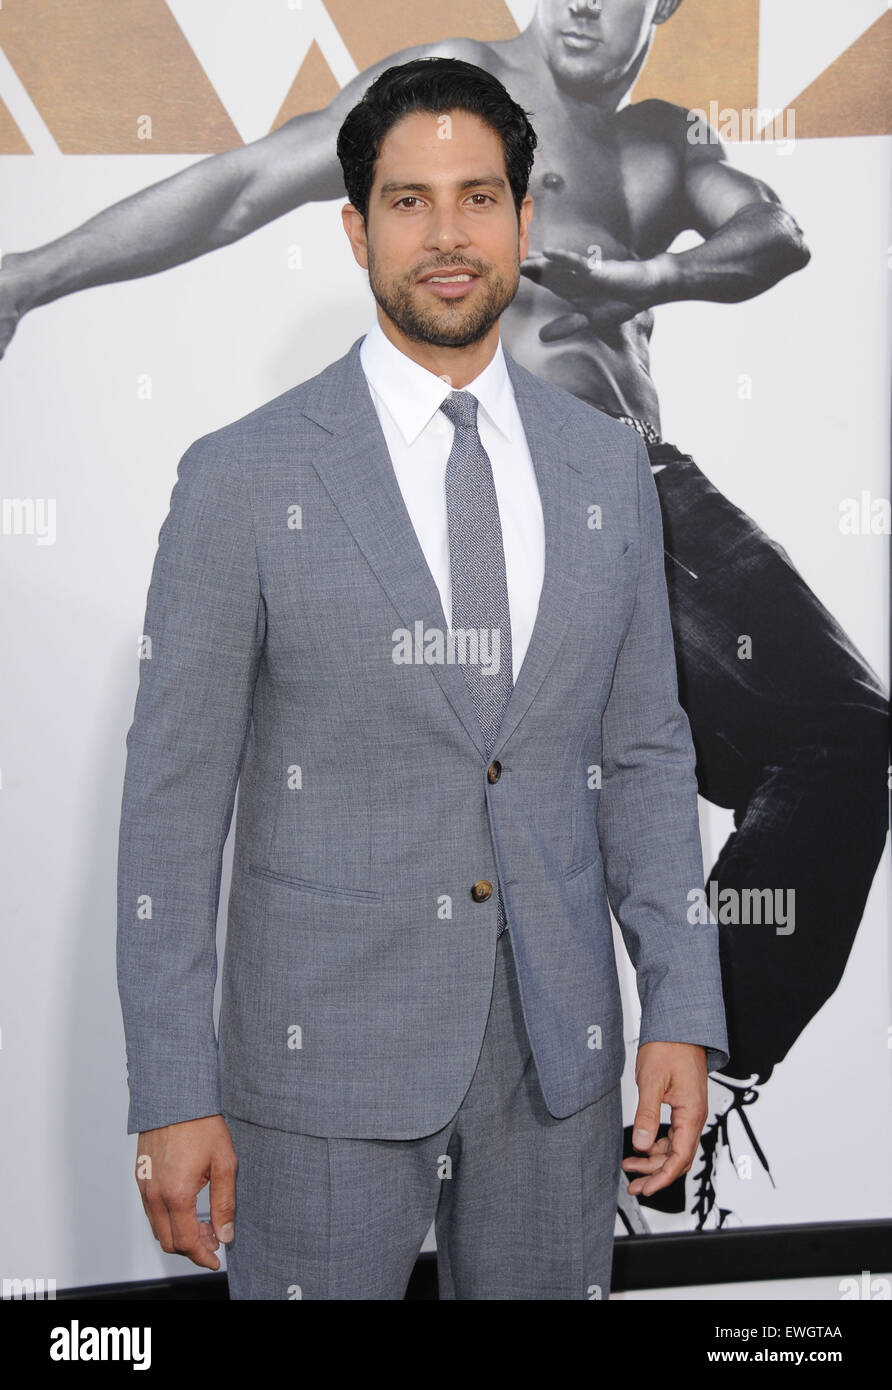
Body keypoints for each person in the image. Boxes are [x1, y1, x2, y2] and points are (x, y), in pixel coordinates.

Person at [116, 56, 729, 1300]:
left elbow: (649, 754)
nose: (448, 235)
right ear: (354, 229)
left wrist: (679, 1005)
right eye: (408, 202)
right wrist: (173, 1092)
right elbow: (173, 813)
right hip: (320, 1069)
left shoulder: (607, 469)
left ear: (523, 217)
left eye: (479, 197)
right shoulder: (243, 476)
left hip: (559, 1068)